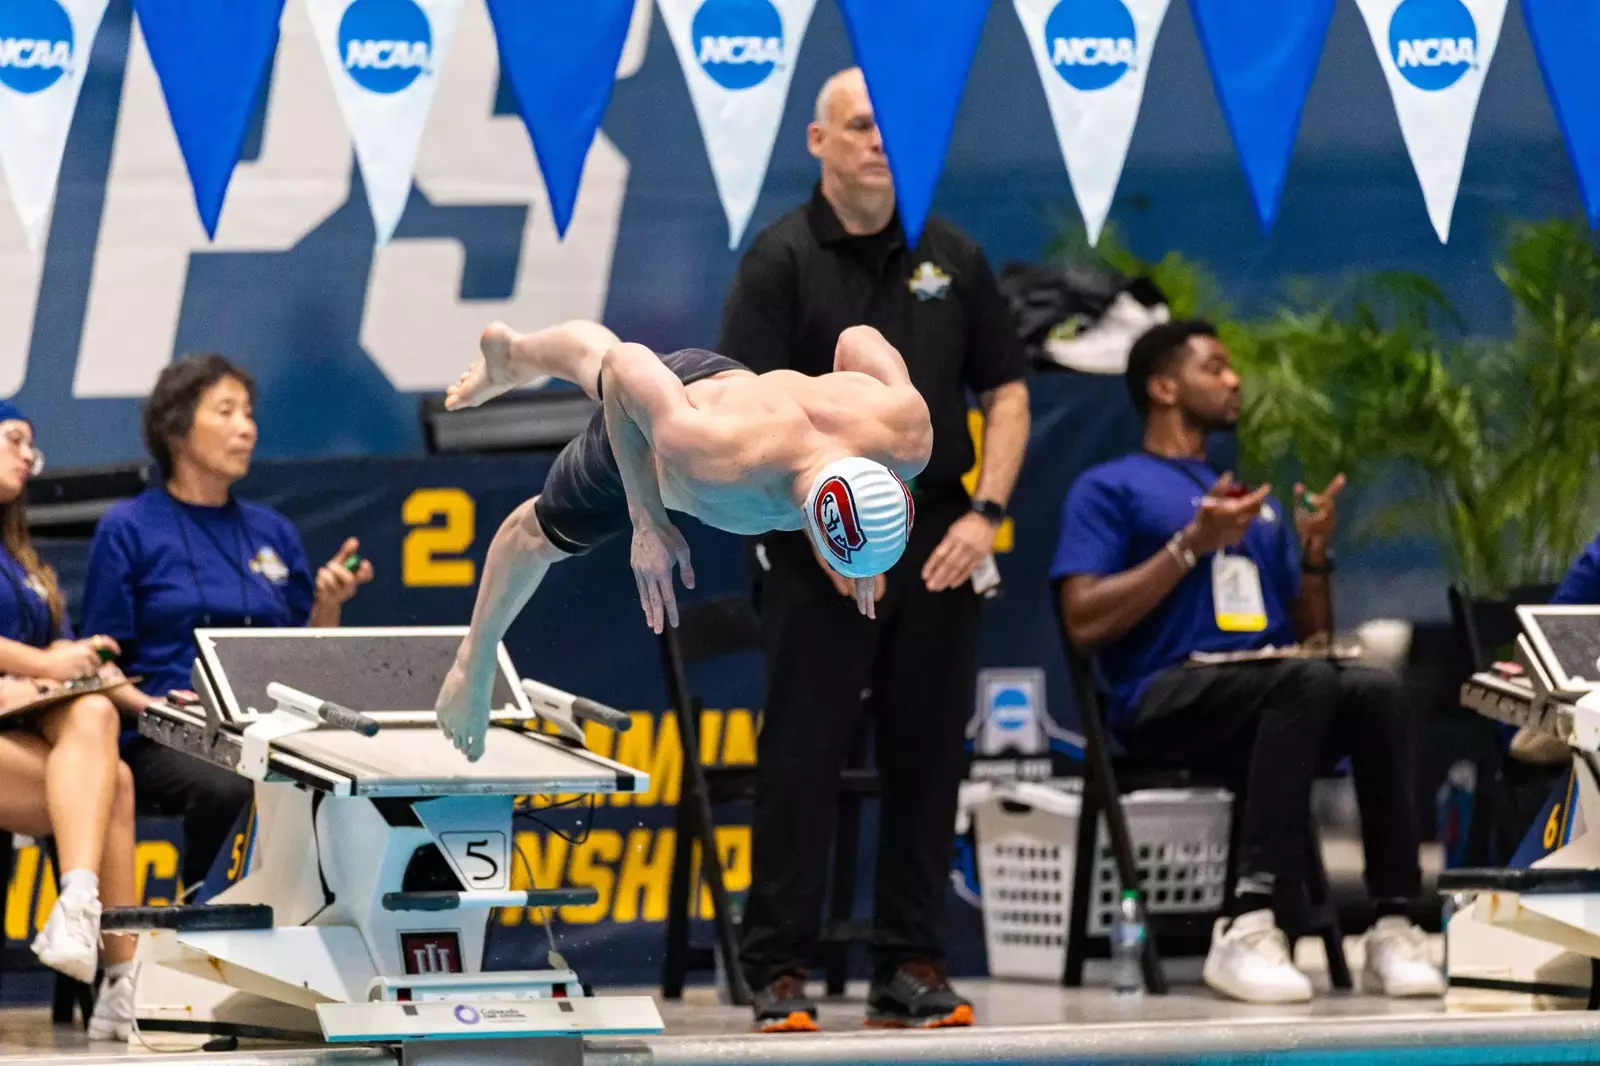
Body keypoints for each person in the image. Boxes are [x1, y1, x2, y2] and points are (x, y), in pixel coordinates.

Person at [717, 67, 1029, 1032]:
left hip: (934, 535)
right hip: (813, 530)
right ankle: (777, 969)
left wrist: (985, 511)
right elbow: (740, 413)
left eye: (895, 125)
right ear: (818, 143)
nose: (882, 143)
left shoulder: (951, 255)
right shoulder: (780, 261)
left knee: (929, 755)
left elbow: (1007, 394)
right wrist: (824, 521)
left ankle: (911, 962)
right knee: (803, 756)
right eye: (861, 127)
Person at [1053, 320, 1444, 1004]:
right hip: (1162, 699)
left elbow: (1312, 641)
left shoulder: (1251, 506)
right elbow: (1082, 621)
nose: (1234, 380)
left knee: (1376, 688)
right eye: (1215, 367)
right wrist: (1188, 546)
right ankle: (1249, 923)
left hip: (1277, 697)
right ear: (1163, 386)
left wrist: (1315, 556)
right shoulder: (1110, 486)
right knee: (1304, 682)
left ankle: (1392, 923)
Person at [433, 317, 930, 763]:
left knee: (595, 362)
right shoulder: (716, 456)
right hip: (656, 440)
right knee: (538, 535)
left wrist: (864, 553)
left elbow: (858, 339)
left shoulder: (905, 432)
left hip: (727, 391)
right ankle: (472, 664)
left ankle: (512, 356)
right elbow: (623, 367)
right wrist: (646, 519)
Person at [80, 354, 374, 891]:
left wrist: (329, 601)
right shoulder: (128, 529)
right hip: (159, 732)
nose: (247, 427)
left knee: (351, 776)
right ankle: (210, 922)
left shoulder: (273, 532)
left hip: (264, 727)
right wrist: (159, 710)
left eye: (249, 413)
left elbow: (307, 654)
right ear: (177, 429)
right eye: (226, 411)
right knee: (231, 784)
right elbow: (97, 664)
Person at [0, 401, 140, 1039]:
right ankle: (114, 972)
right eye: (14, 440)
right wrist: (44, 663)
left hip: (17, 730)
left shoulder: (23, 563)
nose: (28, 456)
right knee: (108, 776)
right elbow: (44, 661)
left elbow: (68, 663)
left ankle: (96, 937)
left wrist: (142, 698)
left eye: (33, 445)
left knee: (105, 749)